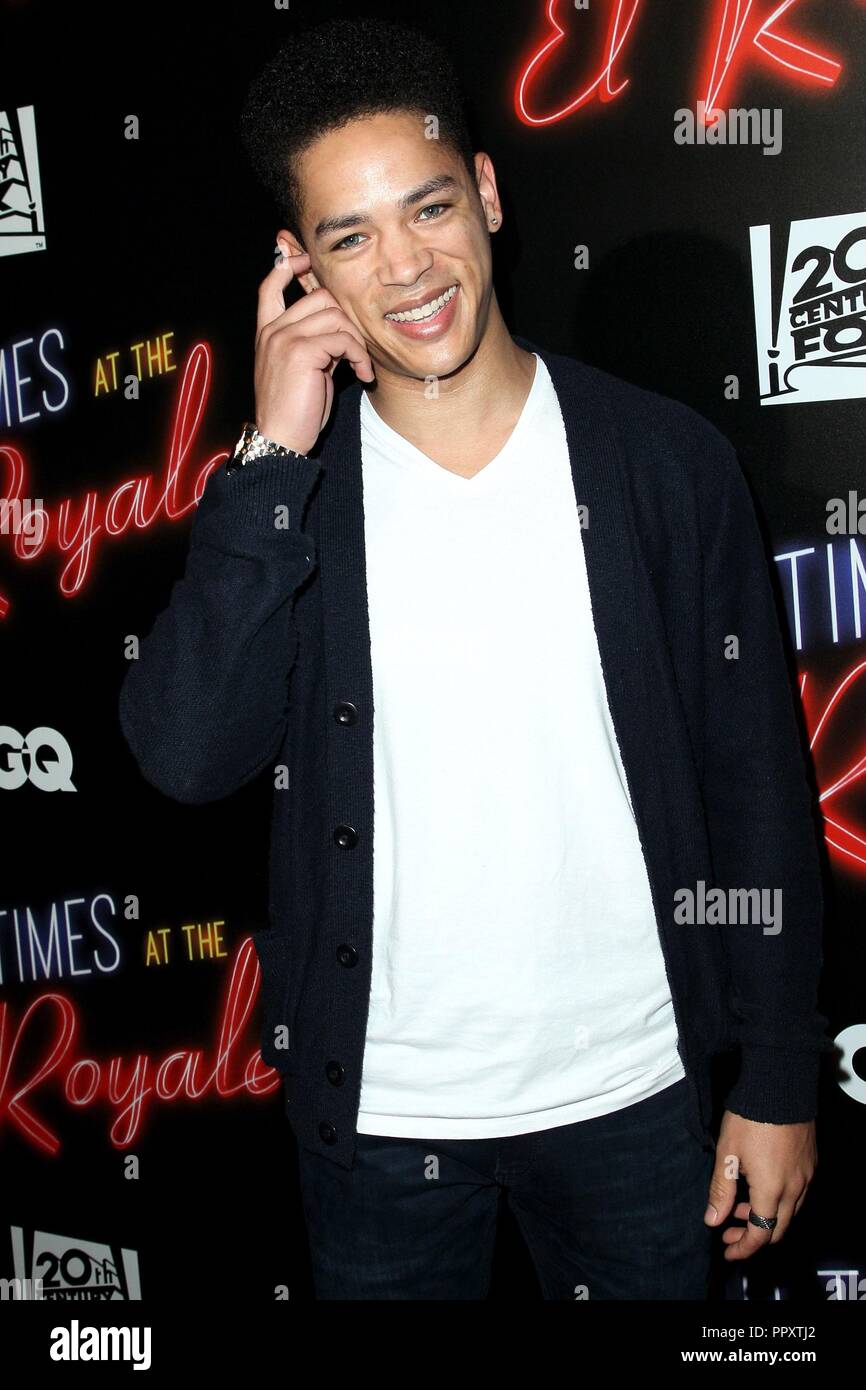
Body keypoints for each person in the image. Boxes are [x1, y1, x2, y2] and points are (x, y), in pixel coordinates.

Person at [118, 15, 831, 1299]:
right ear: (300, 268)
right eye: (350, 236)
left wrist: (778, 1079)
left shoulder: (662, 465)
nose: (406, 268)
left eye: (429, 206)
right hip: (381, 1120)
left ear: (489, 192)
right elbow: (184, 755)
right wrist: (269, 457)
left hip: (631, 1096)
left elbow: (755, 786)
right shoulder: (291, 499)